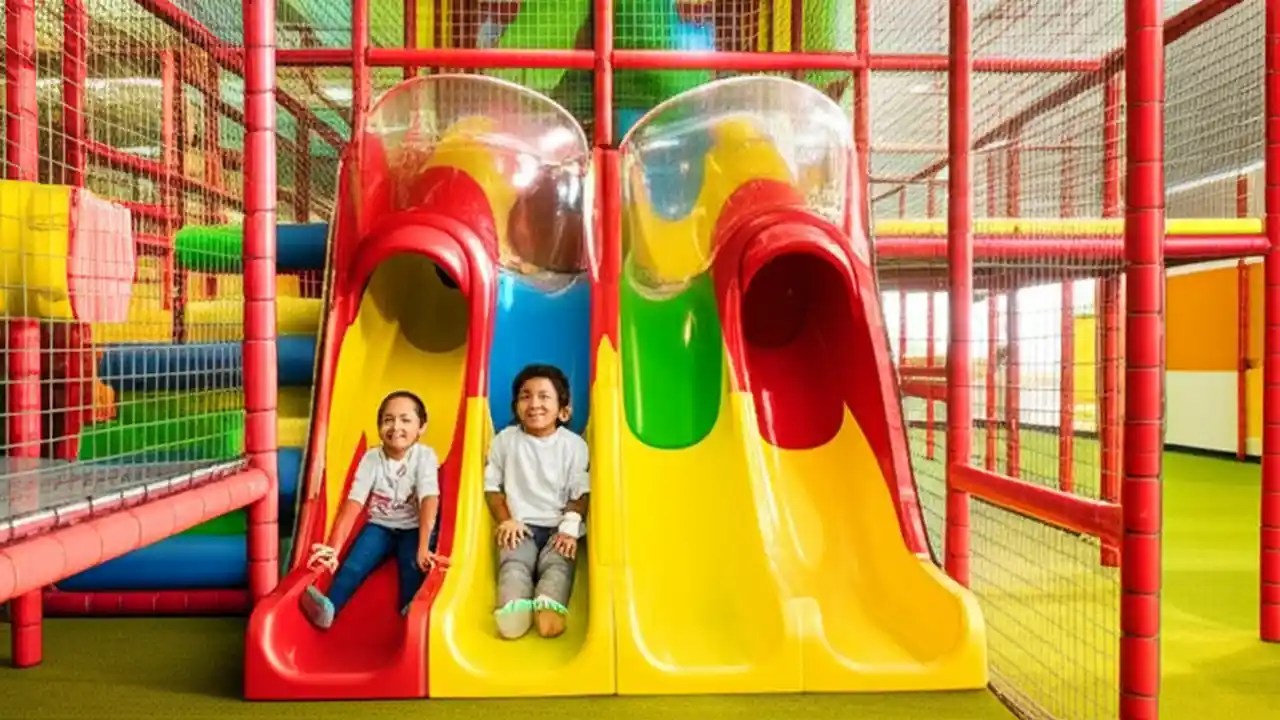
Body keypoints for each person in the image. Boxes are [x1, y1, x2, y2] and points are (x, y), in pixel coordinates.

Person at [300, 390, 448, 630]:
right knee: (353, 565)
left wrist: (423, 546)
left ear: (421, 427)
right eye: (388, 420)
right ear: (379, 426)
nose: (396, 427)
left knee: (413, 567)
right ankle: (328, 608)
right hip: (380, 526)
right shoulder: (372, 458)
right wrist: (334, 548)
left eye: (405, 420)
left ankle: (410, 615)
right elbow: (354, 502)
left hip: (414, 527)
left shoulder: (424, 456)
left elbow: (428, 499)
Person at [484, 364, 589, 640]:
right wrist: (506, 520)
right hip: (520, 526)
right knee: (514, 564)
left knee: (559, 564)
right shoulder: (505, 441)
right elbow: (492, 487)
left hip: (559, 527)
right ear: (516, 406)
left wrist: (569, 528)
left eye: (544, 397)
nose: (534, 404)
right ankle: (513, 606)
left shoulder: (573, 445)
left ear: (563, 410)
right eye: (525, 396)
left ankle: (549, 604)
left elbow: (580, 492)